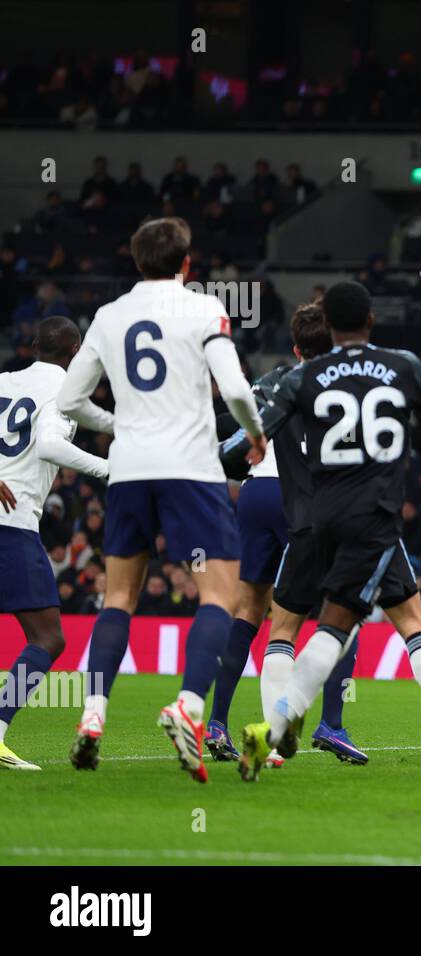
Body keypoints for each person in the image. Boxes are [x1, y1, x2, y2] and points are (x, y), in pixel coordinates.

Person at [236, 280, 421, 779]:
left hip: (309, 521)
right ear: (371, 321)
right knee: (361, 624)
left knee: (290, 627)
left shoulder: (301, 377)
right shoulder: (402, 366)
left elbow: (253, 436)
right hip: (371, 521)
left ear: (326, 325)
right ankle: (276, 731)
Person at [57, 217, 266, 783]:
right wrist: (254, 433)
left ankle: (93, 713)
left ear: (135, 261)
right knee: (219, 594)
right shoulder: (202, 309)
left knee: (117, 598)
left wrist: (119, 424)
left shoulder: (108, 315)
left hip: (127, 473)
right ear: (187, 264)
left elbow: (70, 400)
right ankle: (189, 707)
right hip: (189, 472)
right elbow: (238, 387)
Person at [207, 302, 364, 765]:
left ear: (295, 347)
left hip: (255, 495)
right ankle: (328, 724)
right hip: (308, 499)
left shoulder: (271, 382)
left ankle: (217, 721)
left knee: (248, 608)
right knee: (339, 611)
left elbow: (235, 440)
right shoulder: (348, 387)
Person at [0, 317, 111, 770]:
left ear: (33, 344)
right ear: (77, 350)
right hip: (12, 523)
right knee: (47, 638)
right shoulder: (64, 392)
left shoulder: (5, 379)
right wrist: (107, 469)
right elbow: (48, 445)